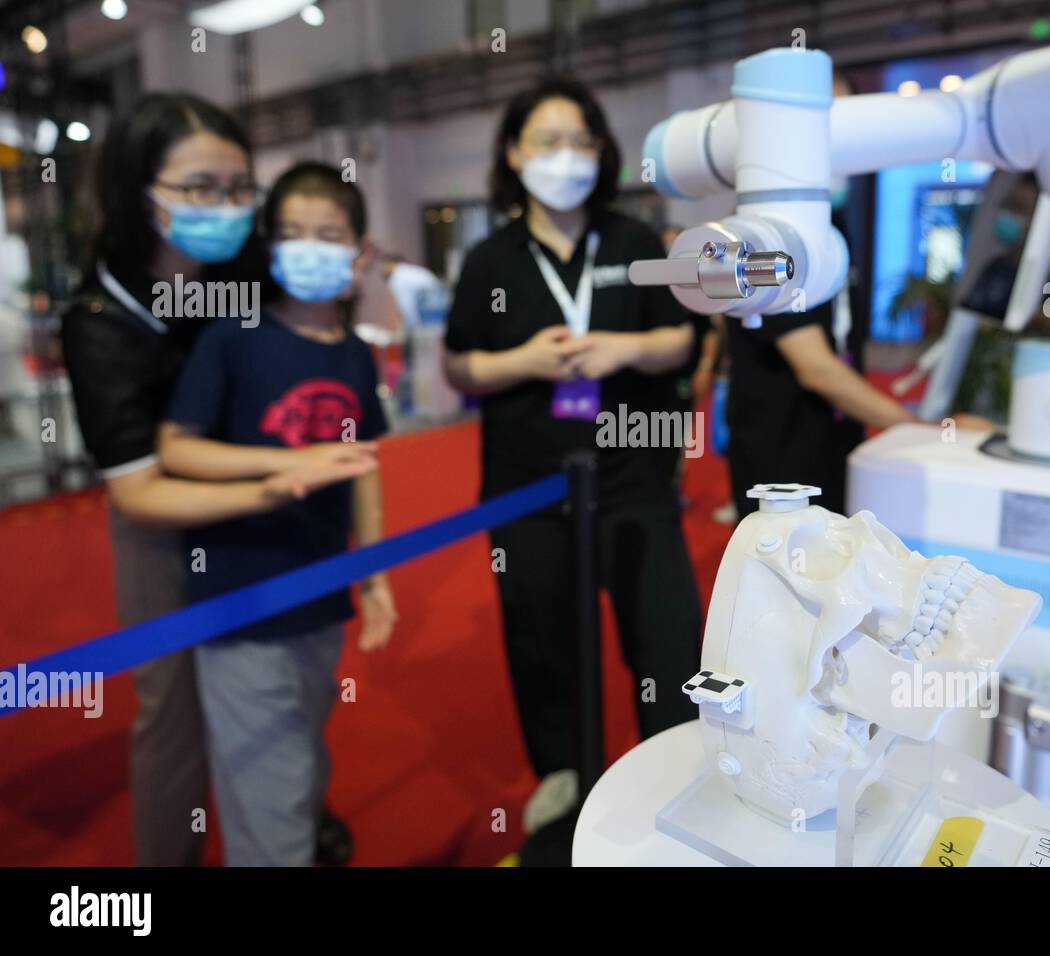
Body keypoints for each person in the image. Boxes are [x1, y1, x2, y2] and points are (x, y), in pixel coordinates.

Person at [60, 93, 370, 867]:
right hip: (171, 526)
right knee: (174, 716)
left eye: (238, 189)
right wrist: (277, 481)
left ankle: (292, 820)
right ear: (141, 189)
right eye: (200, 187)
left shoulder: (243, 271)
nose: (225, 207)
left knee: (290, 690)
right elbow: (138, 492)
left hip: (278, 514)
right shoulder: (103, 316)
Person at [443, 76, 702, 863]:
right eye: (546, 141)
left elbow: (681, 342)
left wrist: (622, 348)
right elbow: (459, 368)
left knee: (666, 634)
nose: (566, 157)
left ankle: (679, 779)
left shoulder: (632, 242)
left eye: (581, 141)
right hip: (529, 486)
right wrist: (521, 360)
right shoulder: (491, 258)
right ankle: (564, 776)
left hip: (633, 475)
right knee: (543, 641)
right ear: (513, 154)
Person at [157, 162, 396, 866]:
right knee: (273, 781)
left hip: (322, 598)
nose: (309, 248)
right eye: (292, 233)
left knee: (301, 753)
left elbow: (364, 472)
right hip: (239, 599)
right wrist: (285, 465)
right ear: (268, 245)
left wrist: (376, 577)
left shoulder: (355, 356)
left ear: (357, 251)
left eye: (328, 234)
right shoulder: (233, 337)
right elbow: (178, 449)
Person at [725, 71, 988, 519]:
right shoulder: (766, 236)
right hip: (780, 462)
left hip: (836, 442)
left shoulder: (834, 227)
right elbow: (816, 369)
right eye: (819, 124)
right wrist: (925, 431)